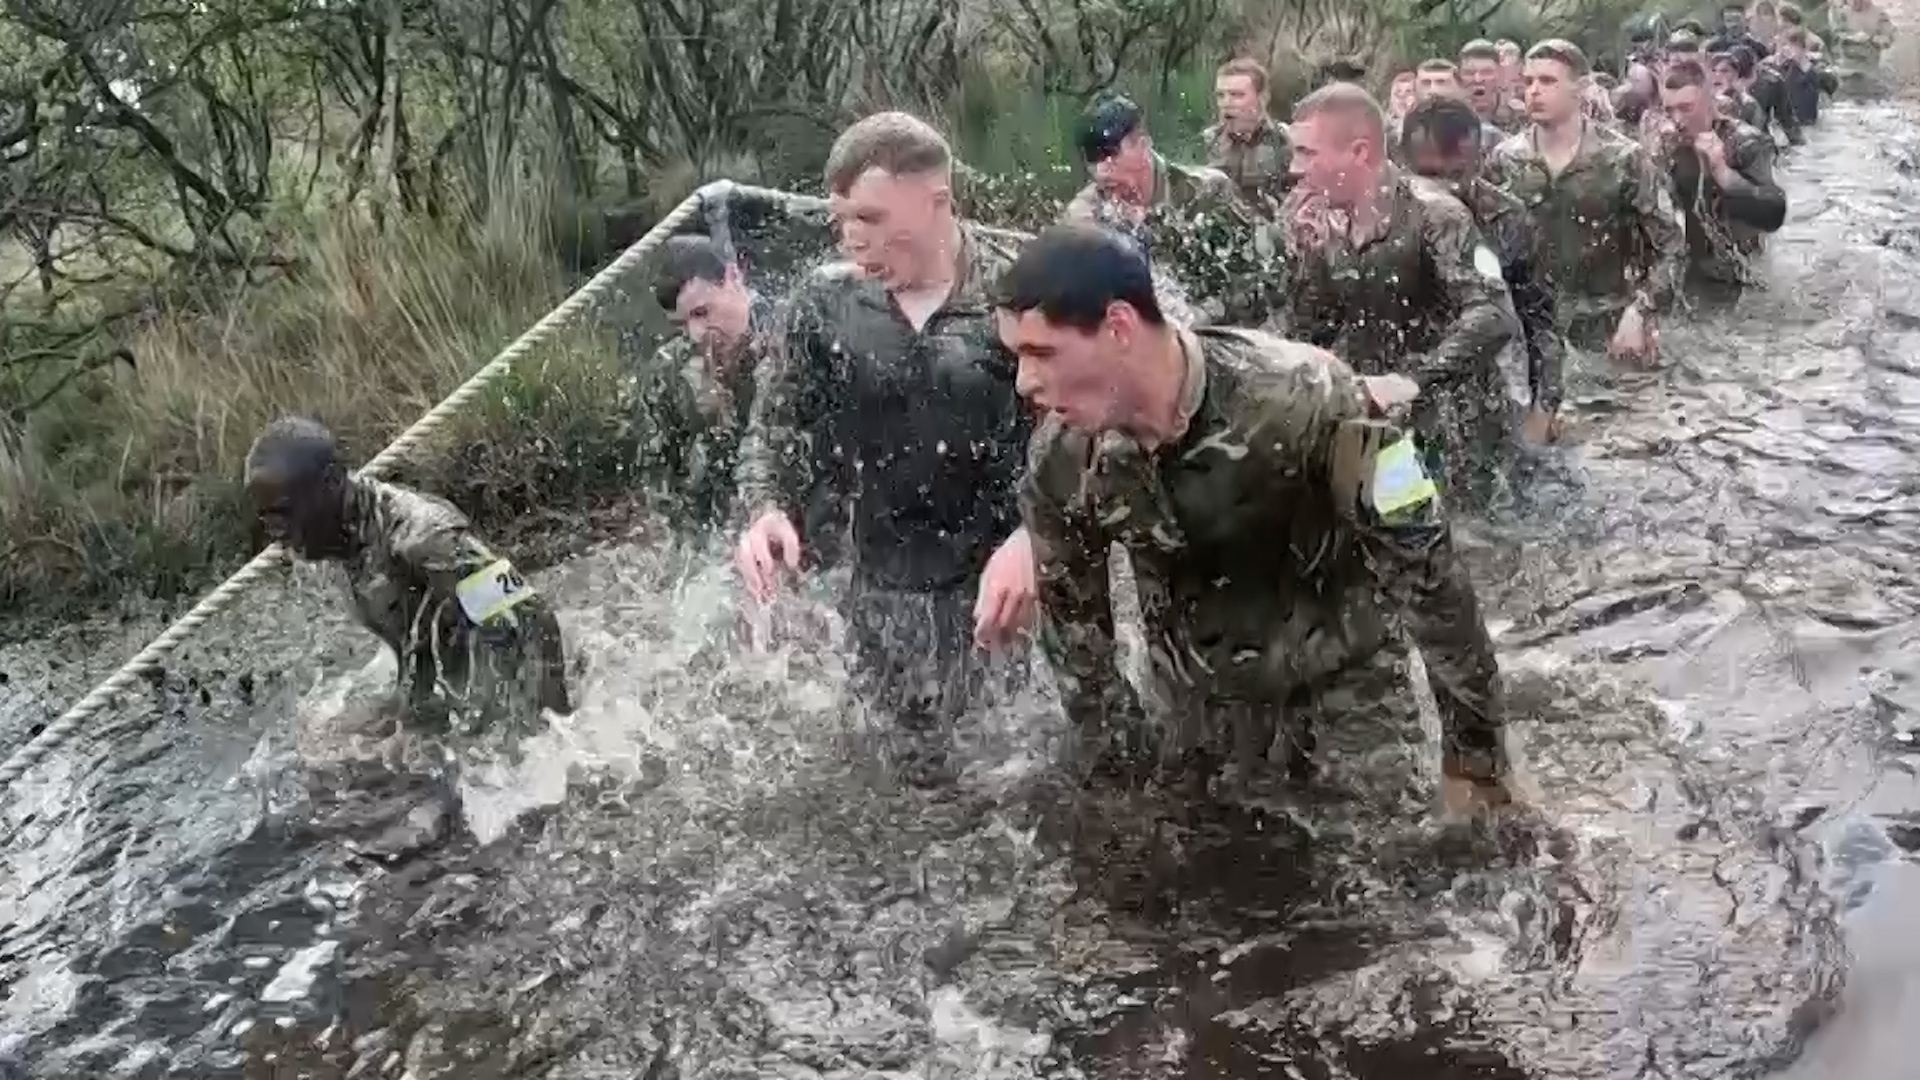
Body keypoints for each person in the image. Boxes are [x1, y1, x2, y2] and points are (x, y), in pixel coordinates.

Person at [998, 225, 1514, 822]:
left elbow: (1431, 575)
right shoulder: (1062, 462)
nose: (1024, 382)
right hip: (1200, 724)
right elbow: (1082, 658)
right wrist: (1125, 796)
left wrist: (1475, 762)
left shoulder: (1317, 396)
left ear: (1118, 327)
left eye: (1041, 353)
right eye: (1016, 357)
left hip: (1349, 711)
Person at [734, 111, 1035, 779]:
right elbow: (776, 422)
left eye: (869, 219)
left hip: (996, 589)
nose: (851, 240)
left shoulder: (1020, 291)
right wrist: (767, 507)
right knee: (889, 778)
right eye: (840, 220)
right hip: (878, 588)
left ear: (937, 203)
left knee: (1009, 775)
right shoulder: (825, 302)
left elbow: (1084, 435)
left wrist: (1038, 538)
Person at [245, 417, 572, 732]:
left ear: (330, 483)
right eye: (265, 518)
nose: (275, 532)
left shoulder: (422, 540)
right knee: (325, 744)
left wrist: (552, 733)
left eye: (284, 513)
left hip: (495, 699)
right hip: (440, 692)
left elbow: (533, 617)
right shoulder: (333, 537)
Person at [1278, 82, 1518, 505]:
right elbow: (1310, 332)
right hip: (1383, 428)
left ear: (1359, 152)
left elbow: (1495, 315)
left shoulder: (1436, 212)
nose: (1295, 169)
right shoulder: (1322, 221)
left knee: (1470, 554)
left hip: (1458, 428)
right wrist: (1300, 260)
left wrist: (1411, 381)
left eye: (1307, 153)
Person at [1487, 40, 1684, 365]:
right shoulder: (1505, 159)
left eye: (1548, 81)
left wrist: (1641, 310)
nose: (1534, 91)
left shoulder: (1623, 159)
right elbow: (1483, 248)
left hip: (1607, 330)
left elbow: (1673, 248)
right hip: (1530, 331)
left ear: (1579, 89)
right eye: (1529, 81)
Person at [1402, 95, 1564, 445]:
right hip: (1411, 394)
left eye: (1458, 172)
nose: (1449, 187)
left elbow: (1540, 320)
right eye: (1431, 174)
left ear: (1479, 157)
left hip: (1489, 396)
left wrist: (1545, 407)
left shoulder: (1508, 218)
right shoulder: (1388, 221)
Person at [636, 234, 775, 530]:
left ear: (733, 276)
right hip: (715, 533)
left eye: (701, 313)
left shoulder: (792, 337)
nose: (696, 333)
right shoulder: (670, 368)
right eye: (682, 324)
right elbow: (660, 479)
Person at [1655, 59, 1788, 301]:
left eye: (1686, 108)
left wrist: (1724, 172)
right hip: (1695, 268)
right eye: (1669, 109)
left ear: (1709, 100)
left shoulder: (1746, 141)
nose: (1676, 119)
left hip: (1745, 274)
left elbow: (1774, 213)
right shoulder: (1670, 143)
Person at [1204, 56, 1293, 211]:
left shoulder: (1287, 141)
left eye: (1237, 95)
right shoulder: (1209, 141)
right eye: (1220, 95)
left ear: (1262, 98)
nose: (1226, 103)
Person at [1460, 39, 1525, 134]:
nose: (1478, 79)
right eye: (1469, 73)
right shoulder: (1450, 114)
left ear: (1500, 75)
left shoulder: (1520, 115)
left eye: (1486, 72)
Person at [1707, 1, 1773, 58]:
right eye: (1729, 21)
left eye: (1737, 20)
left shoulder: (1756, 46)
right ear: (1724, 22)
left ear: (1745, 21)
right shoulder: (1716, 46)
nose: (1734, 24)